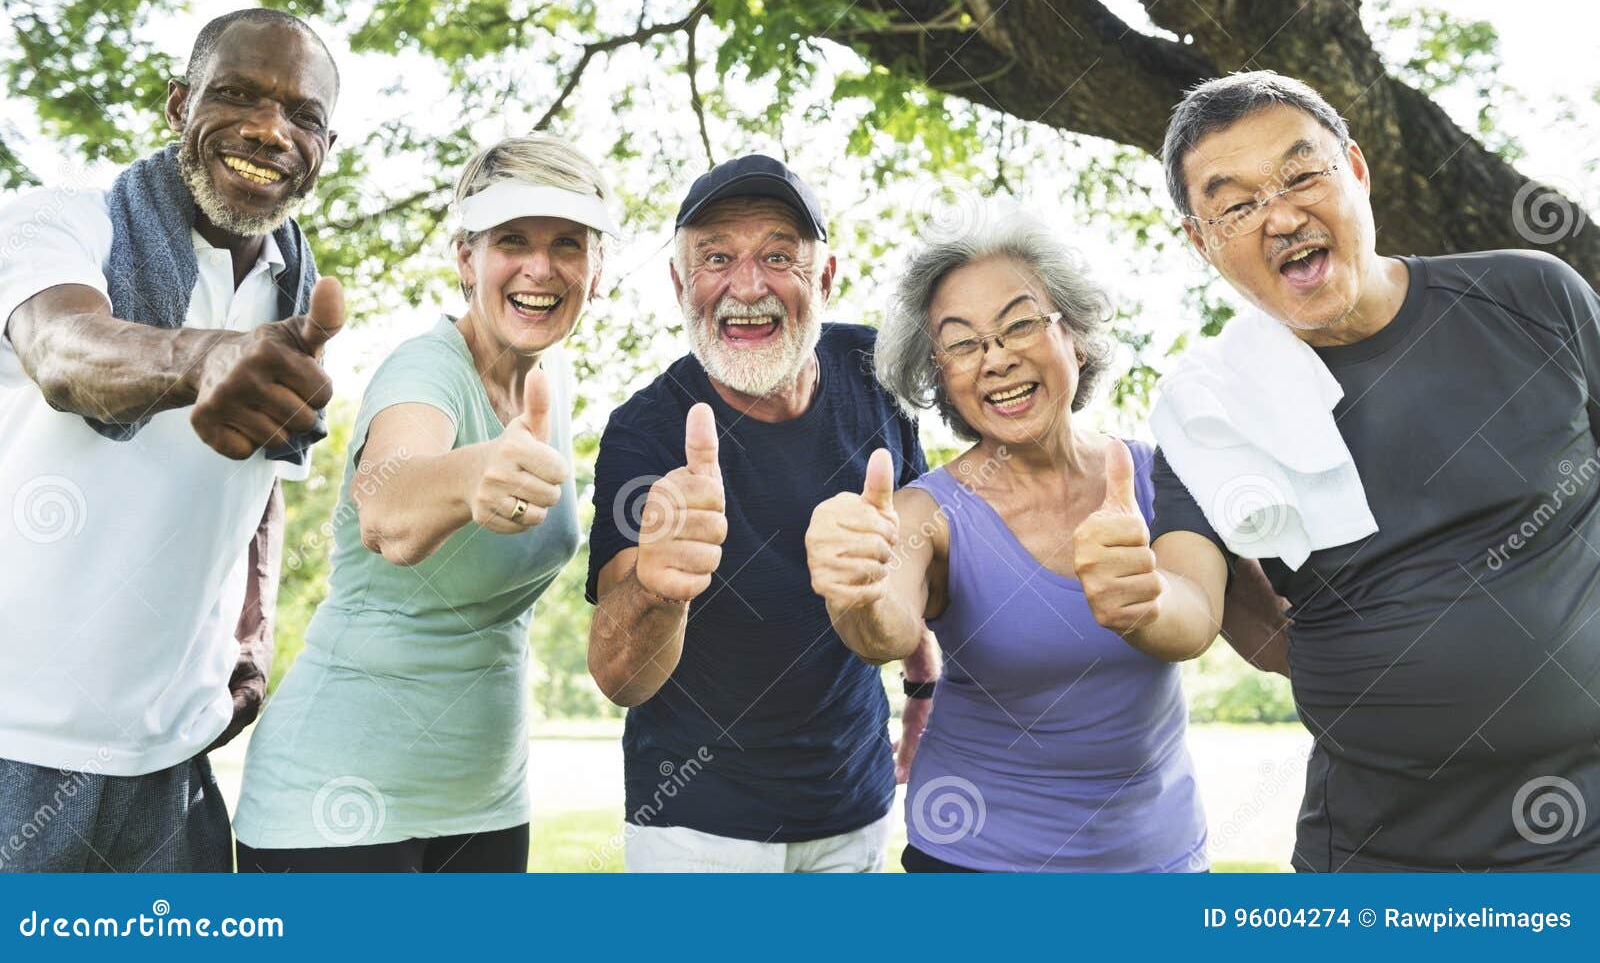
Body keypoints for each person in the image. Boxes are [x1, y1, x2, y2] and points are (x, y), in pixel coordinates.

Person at [1104, 69, 1600, 871]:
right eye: (1236, 205)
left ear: (1357, 172)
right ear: (1201, 243)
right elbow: (1191, 608)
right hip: (1381, 853)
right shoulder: (1209, 412)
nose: (1282, 216)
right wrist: (1137, 598)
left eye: (1302, 175)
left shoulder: (1533, 295)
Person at [0, 8, 343, 872]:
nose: (269, 131)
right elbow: (63, 351)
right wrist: (203, 357)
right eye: (236, 96)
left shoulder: (291, 291)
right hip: (17, 742)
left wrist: (256, 633)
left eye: (302, 116)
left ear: (325, 147)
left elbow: (263, 481)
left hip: (174, 759)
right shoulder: (58, 223)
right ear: (178, 106)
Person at [232, 134, 613, 872]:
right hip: (333, 804)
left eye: (568, 243)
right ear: (466, 259)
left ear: (598, 271)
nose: (541, 267)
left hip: (486, 799)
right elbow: (390, 506)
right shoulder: (423, 368)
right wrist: (473, 475)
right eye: (512, 240)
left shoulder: (548, 381)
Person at [807, 216, 1214, 871]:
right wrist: (854, 589)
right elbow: (884, 631)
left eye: (1020, 324)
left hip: (1159, 860)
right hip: (974, 863)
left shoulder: (1162, 476)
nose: (995, 358)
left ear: (1074, 338)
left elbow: (1225, 623)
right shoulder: (927, 512)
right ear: (942, 379)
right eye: (961, 345)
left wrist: (1148, 599)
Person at [586, 154, 939, 872]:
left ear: (827, 277)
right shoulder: (644, 429)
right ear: (681, 284)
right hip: (695, 832)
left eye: (779, 255)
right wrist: (657, 586)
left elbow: (916, 555)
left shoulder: (879, 374)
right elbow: (620, 677)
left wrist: (924, 672)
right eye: (716, 257)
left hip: (854, 810)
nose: (747, 286)